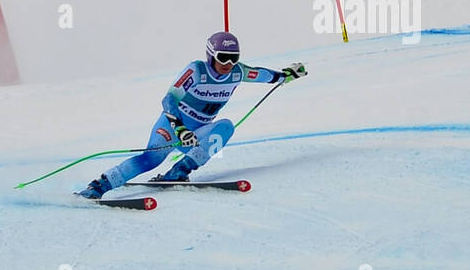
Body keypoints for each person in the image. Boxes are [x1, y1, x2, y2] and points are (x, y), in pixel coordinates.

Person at [78, 31, 305, 197]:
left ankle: (178, 172)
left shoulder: (237, 72)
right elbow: (169, 99)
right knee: (150, 160)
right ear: (210, 55)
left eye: (233, 58)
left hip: (197, 133)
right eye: (222, 57)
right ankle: (99, 187)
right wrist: (180, 128)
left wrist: (287, 75)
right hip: (173, 127)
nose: (228, 63)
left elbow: (263, 75)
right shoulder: (196, 70)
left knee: (226, 126)